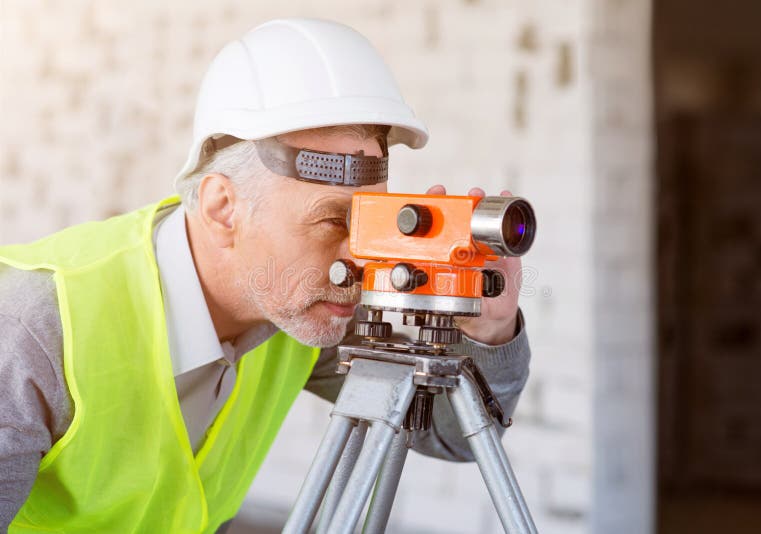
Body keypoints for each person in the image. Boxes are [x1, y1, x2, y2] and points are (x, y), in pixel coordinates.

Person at [0, 18, 531, 533]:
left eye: (373, 224)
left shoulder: (309, 303)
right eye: (333, 220)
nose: (363, 261)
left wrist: (489, 330)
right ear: (223, 208)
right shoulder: (34, 330)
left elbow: (458, 437)